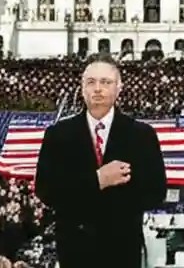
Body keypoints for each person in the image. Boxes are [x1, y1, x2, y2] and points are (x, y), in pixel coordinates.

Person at [35, 54, 166, 267]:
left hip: (122, 249)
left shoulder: (142, 135)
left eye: (105, 82)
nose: (98, 89)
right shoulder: (58, 135)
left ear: (119, 88)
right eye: (91, 82)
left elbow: (156, 192)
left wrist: (98, 200)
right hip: (75, 251)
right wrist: (98, 180)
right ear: (82, 88)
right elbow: (46, 190)